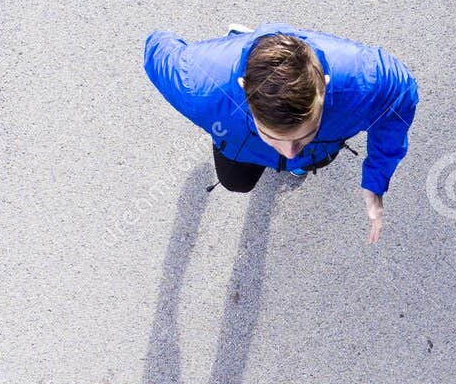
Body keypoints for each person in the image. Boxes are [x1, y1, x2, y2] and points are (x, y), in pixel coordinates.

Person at [143, 23, 418, 244]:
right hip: (239, 135)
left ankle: (247, 46)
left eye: (303, 133)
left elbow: (400, 102)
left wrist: (375, 179)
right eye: (273, 136)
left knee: (313, 158)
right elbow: (156, 47)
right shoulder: (198, 87)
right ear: (242, 88)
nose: (290, 151)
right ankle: (240, 40)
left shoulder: (366, 82)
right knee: (235, 182)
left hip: (295, 141)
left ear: (325, 85)